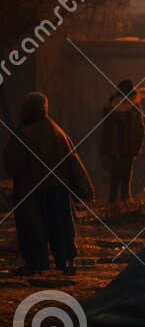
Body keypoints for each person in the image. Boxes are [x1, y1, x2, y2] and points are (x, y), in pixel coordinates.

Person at [4, 92, 94, 275]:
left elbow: (14, 166)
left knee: (33, 228)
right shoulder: (57, 130)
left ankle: (36, 263)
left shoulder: (23, 133)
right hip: (58, 189)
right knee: (60, 227)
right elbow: (73, 161)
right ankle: (66, 261)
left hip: (32, 191)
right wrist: (82, 188)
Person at [100, 79, 145, 204]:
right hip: (118, 148)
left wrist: (137, 145)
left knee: (124, 175)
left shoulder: (130, 107)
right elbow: (108, 130)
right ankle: (117, 201)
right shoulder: (114, 108)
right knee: (117, 175)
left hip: (126, 148)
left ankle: (121, 199)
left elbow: (140, 129)